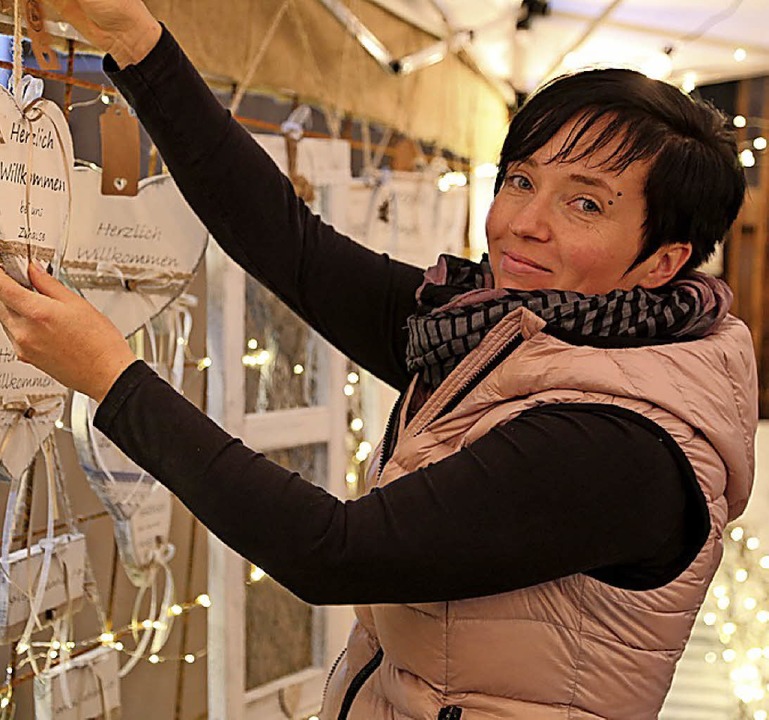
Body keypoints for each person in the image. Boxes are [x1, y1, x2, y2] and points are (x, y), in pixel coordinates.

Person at [0, 2, 757, 718]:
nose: (524, 224)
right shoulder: (495, 329)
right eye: (521, 180)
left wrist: (112, 379)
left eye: (584, 204)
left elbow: (333, 552)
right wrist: (137, 40)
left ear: (663, 261)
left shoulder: (618, 445)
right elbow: (291, 248)